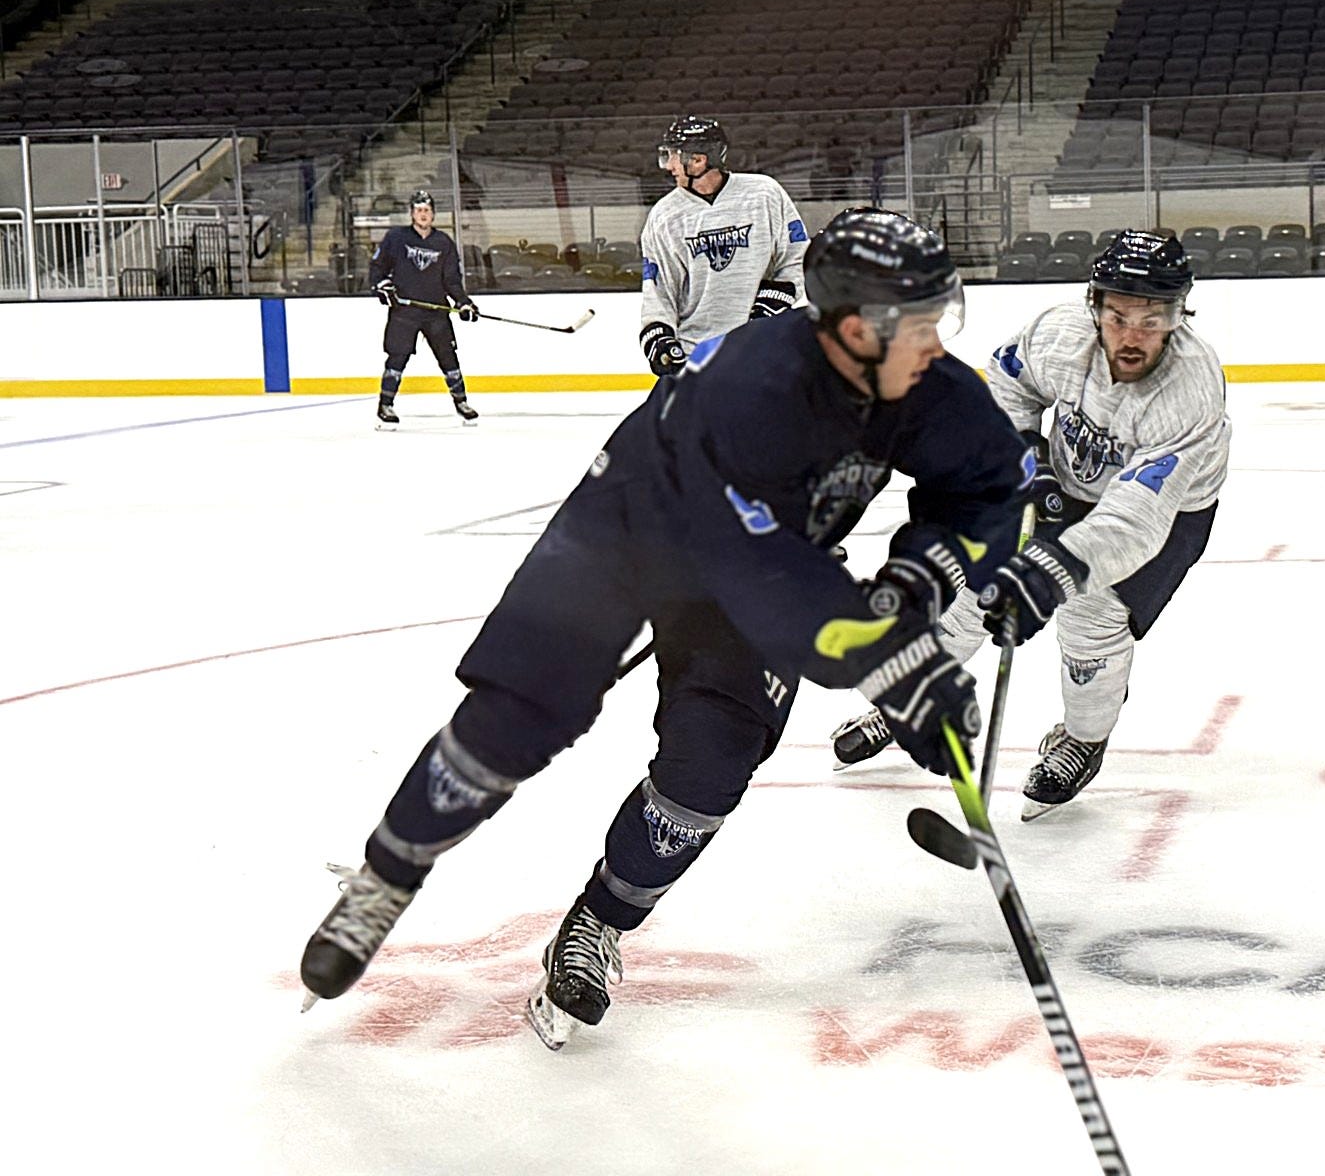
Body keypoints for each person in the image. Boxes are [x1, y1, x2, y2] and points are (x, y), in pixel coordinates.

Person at [299, 208, 1032, 1050]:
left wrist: (914, 590)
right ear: (851, 329)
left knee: (710, 766)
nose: (935, 347)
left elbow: (992, 493)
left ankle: (596, 922)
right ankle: (388, 875)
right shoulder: (751, 388)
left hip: (774, 561)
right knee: (515, 718)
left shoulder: (927, 382)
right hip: (628, 527)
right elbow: (760, 578)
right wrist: (890, 660)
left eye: (942, 321)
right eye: (918, 327)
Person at [832, 230, 1231, 822]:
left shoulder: (1189, 393)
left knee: (1091, 618)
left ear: (1180, 312)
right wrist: (1028, 460)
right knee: (973, 590)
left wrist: (1049, 576)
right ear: (1094, 304)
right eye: (1118, 316)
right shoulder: (1059, 332)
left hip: (1168, 512)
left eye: (1154, 318)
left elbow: (1135, 519)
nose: (1132, 336)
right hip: (1065, 482)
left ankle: (1083, 739)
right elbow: (1004, 386)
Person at [637, 115, 809, 380]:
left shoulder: (764, 194)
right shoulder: (665, 216)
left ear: (698, 160)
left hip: (762, 350)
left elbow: (797, 257)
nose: (669, 165)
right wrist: (659, 336)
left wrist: (775, 300)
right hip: (698, 354)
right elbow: (659, 290)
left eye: (674, 155)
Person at [370, 189, 480, 429]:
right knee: (397, 357)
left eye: (427, 211)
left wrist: (463, 301)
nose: (423, 215)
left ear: (433, 215)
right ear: (411, 213)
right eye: (419, 210)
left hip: (436, 310)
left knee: (448, 357)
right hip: (405, 311)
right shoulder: (396, 238)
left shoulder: (443, 242)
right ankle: (385, 405)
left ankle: (461, 402)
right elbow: (377, 268)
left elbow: (452, 280)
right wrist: (382, 286)